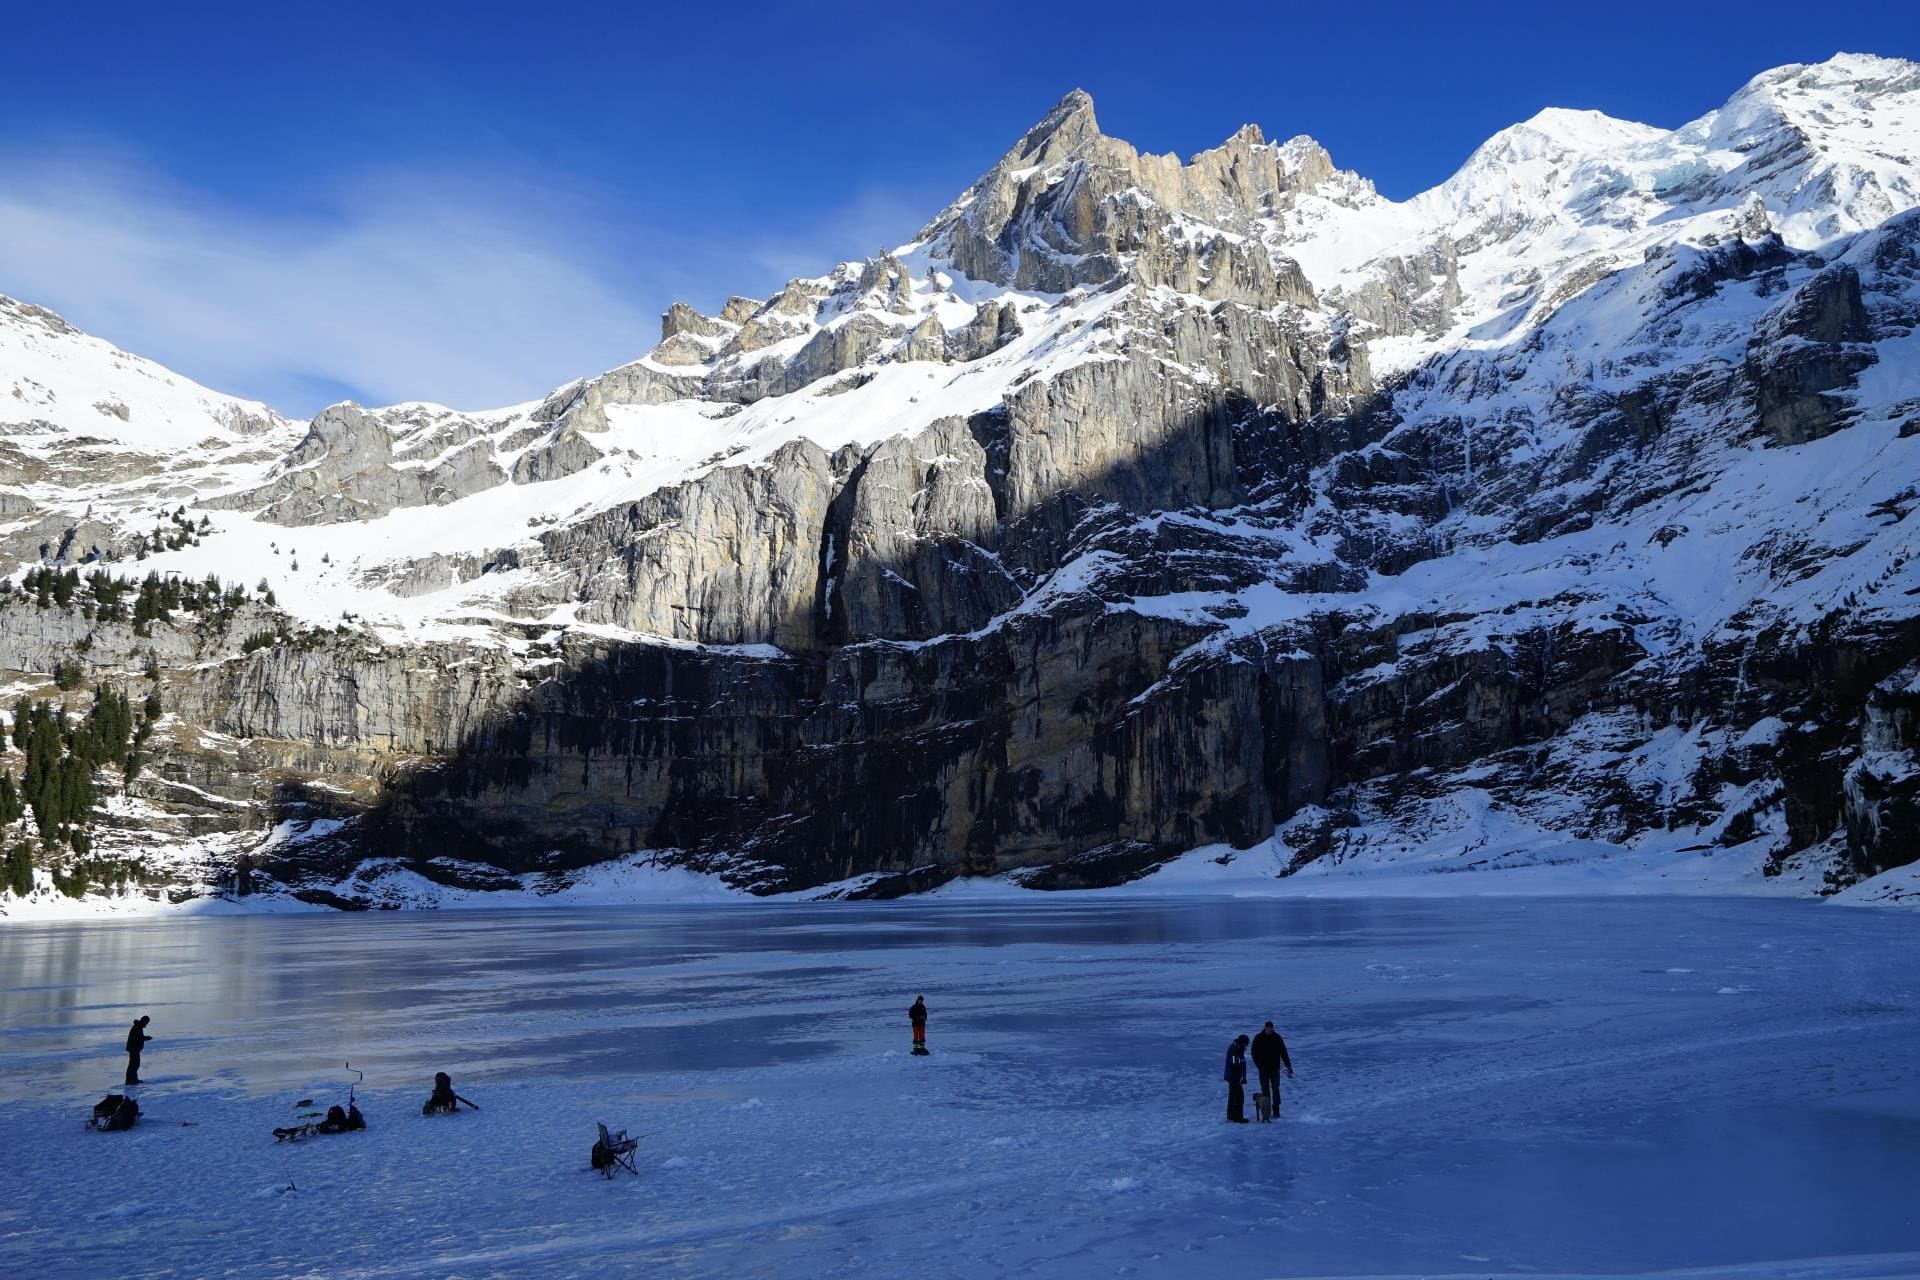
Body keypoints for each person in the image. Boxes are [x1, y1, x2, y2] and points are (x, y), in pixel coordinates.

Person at [1250, 1020, 1294, 1117]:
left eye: (1271, 1029)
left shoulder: (1277, 1037)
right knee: (1265, 1090)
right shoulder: (1258, 1038)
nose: (1270, 1031)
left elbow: (1283, 1052)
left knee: (1275, 1089)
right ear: (1265, 1028)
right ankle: (1267, 1110)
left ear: (1273, 1028)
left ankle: (1276, 1110)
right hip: (1263, 1069)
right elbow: (1253, 1053)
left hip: (1275, 1068)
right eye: (1268, 1029)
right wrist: (1258, 1065)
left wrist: (1288, 1065)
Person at [1224, 1034, 1250, 1123]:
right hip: (1234, 1077)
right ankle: (1238, 1117)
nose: (1247, 1046)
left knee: (1232, 1096)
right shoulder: (1235, 1050)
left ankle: (1231, 1115)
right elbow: (1235, 1065)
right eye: (1246, 1044)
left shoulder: (1236, 1048)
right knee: (1238, 1097)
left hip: (1232, 1077)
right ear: (1243, 1043)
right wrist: (1239, 1078)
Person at [124, 1015, 151, 1086]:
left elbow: (139, 1037)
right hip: (133, 1049)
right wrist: (146, 1038)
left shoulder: (138, 1026)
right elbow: (137, 1038)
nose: (147, 1024)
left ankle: (133, 1079)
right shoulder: (137, 1027)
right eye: (147, 1022)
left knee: (134, 1064)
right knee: (134, 1064)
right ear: (143, 1021)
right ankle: (130, 1080)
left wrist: (145, 1038)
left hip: (134, 1048)